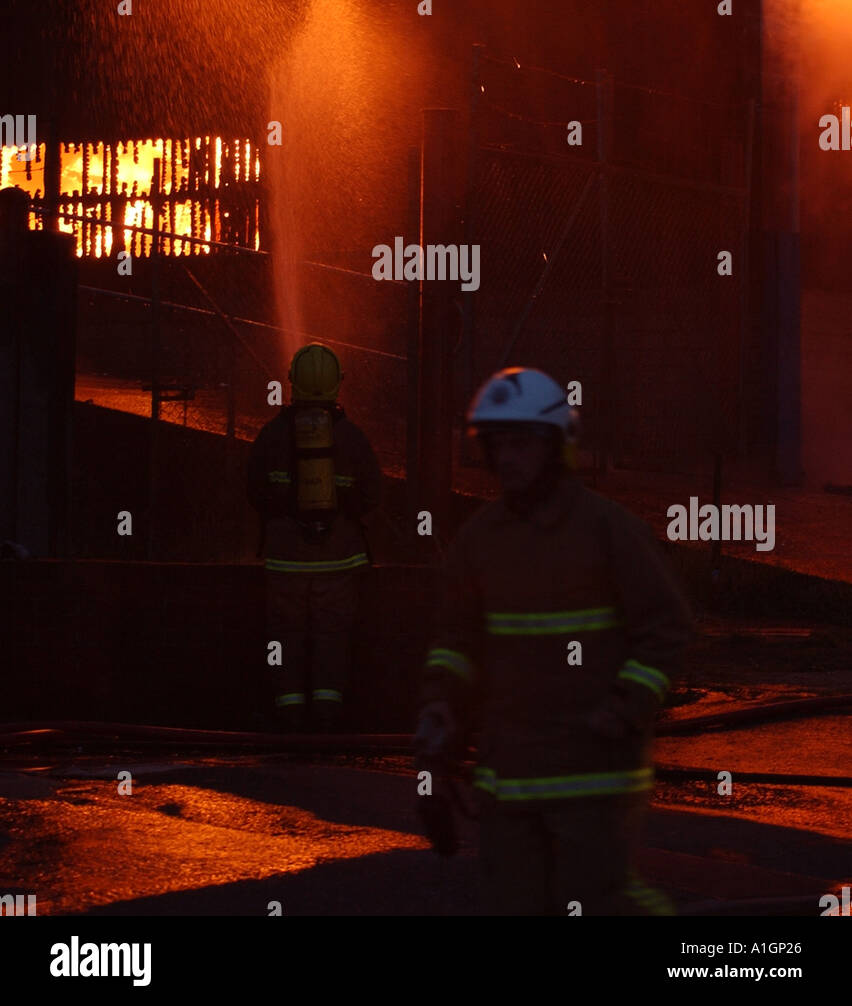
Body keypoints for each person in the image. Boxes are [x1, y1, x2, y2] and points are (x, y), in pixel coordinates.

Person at [415, 366, 694, 915]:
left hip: (593, 775)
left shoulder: (606, 530)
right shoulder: (478, 541)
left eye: (523, 443)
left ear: (555, 447)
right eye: (500, 445)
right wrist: (441, 706)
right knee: (513, 903)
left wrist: (627, 706)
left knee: (598, 902)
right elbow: (456, 641)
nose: (510, 458)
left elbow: (667, 627)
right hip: (510, 778)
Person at [248, 343, 383, 732]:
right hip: (339, 562)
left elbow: (253, 492)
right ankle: (328, 715)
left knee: (284, 637)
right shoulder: (353, 438)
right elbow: (372, 494)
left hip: (284, 563)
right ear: (337, 385)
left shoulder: (272, 436)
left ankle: (288, 713)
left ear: (292, 382)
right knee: (332, 636)